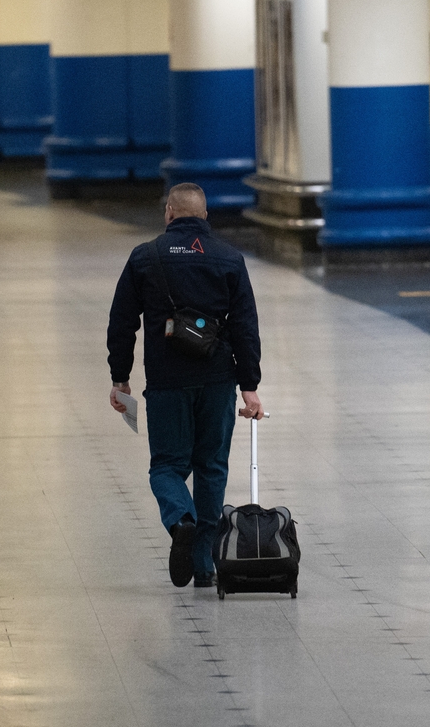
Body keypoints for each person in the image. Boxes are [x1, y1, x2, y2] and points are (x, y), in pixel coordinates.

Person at [106, 183, 263, 589]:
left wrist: (120, 377)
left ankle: (181, 519)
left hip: (167, 382)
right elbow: (245, 326)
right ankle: (205, 565)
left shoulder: (146, 257)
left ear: (169, 213)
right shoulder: (229, 258)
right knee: (211, 467)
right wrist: (249, 385)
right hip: (217, 380)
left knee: (167, 467)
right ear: (205, 216)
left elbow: (122, 322)